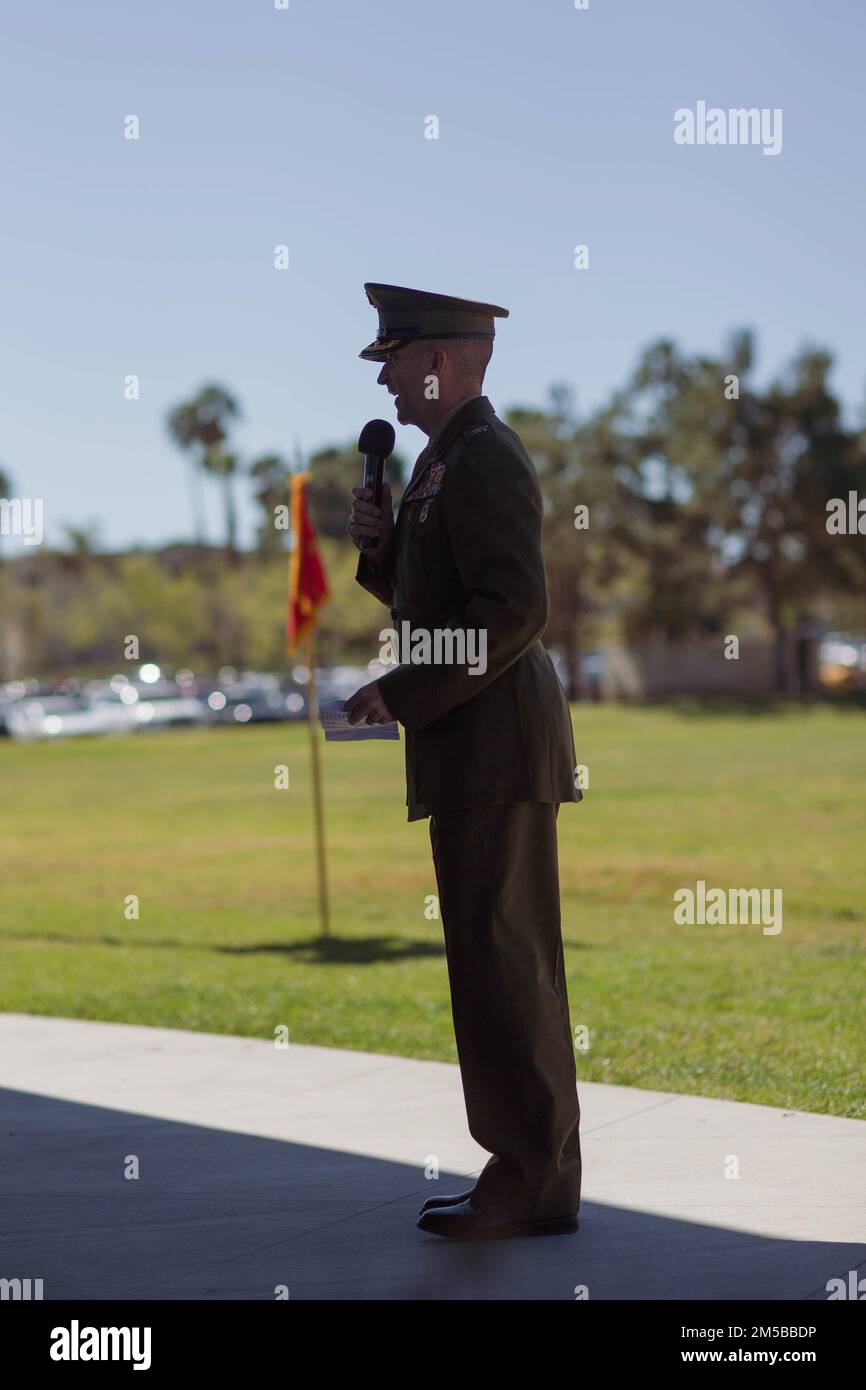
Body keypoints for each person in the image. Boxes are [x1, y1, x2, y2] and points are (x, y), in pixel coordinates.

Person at [345, 283, 583, 1241]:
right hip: (473, 748)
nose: (389, 381)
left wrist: (401, 691)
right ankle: (527, 1171)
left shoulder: (483, 456)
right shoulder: (443, 463)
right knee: (490, 964)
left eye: (395, 360)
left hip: (496, 747)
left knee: (506, 966)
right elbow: (442, 594)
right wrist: (383, 552)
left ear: (437, 361)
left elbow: (513, 610)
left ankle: (531, 1181)